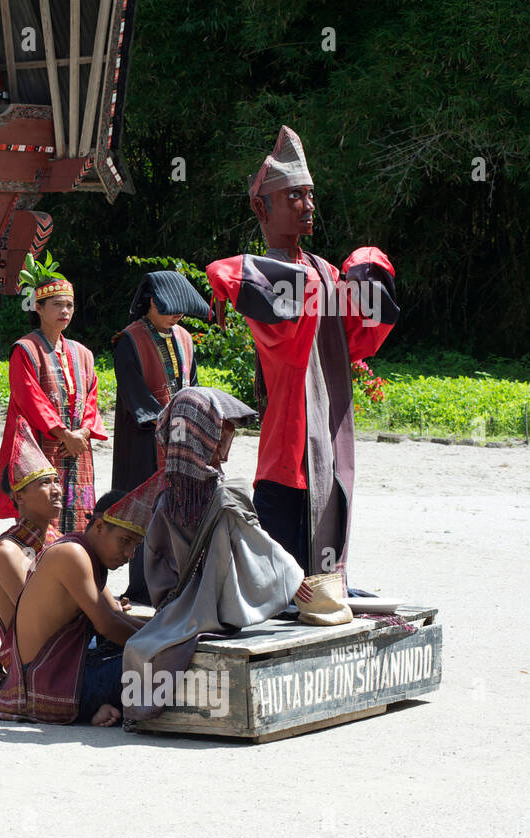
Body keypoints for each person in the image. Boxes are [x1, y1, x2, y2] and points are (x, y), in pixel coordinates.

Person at [206, 126, 399, 581]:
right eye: (294, 196)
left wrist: (368, 268)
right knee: (282, 583)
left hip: (326, 436)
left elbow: (360, 335)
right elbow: (246, 279)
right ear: (261, 207)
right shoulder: (284, 279)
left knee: (321, 570)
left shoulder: (321, 272)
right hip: (287, 447)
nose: (308, 206)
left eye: (310, 195)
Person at [121, 387, 304, 720]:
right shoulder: (227, 496)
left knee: (144, 644)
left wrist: (172, 602)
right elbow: (263, 560)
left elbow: (155, 564)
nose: (227, 442)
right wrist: (296, 578)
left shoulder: (166, 497)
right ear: (207, 438)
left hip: (173, 605)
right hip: (222, 608)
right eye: (223, 433)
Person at [0, 478, 159, 726]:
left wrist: (162, 633)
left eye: (135, 545)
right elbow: (107, 625)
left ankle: (97, 708)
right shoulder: (72, 553)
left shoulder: (86, 552)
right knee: (165, 669)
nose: (129, 554)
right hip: (50, 683)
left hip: (70, 670)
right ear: (98, 527)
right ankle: (87, 708)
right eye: (124, 541)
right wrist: (164, 645)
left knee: (157, 656)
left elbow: (116, 615)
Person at [110, 269, 206, 603]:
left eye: (180, 311)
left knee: (180, 509)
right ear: (150, 302)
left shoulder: (185, 338)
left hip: (181, 440)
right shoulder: (128, 340)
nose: (176, 316)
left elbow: (192, 386)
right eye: (169, 309)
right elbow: (135, 396)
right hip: (142, 441)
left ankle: (177, 581)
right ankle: (141, 587)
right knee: (144, 513)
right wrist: (164, 419)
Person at [0, 253, 106, 533]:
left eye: (69, 305)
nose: (65, 311)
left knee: (79, 521)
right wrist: (63, 434)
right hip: (42, 446)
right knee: (42, 518)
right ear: (39, 309)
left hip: (78, 447)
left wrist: (83, 433)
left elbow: (91, 399)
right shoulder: (25, 350)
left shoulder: (83, 354)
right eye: (57, 305)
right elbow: (29, 398)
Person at [0, 423, 61, 678]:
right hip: (36, 660)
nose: (57, 491)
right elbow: (37, 616)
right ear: (19, 497)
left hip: (67, 641)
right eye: (44, 483)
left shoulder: (59, 539)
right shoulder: (7, 551)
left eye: (56, 481)